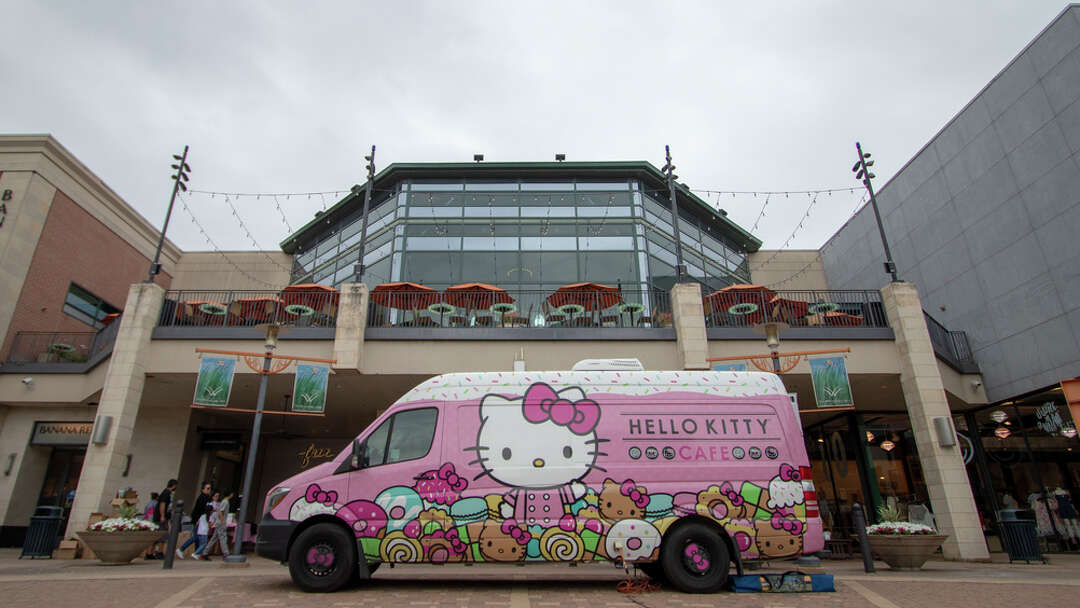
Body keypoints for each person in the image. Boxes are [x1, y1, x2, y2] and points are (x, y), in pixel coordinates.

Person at [176, 482, 212, 559]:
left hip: (199, 519)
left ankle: (195, 552)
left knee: (197, 537)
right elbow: (200, 510)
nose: (209, 490)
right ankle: (183, 549)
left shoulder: (205, 497)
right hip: (198, 520)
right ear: (203, 489)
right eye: (207, 488)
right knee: (196, 537)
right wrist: (198, 519)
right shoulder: (202, 498)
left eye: (210, 488)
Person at [199, 490, 232, 559]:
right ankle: (226, 554)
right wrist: (223, 521)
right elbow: (220, 512)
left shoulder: (224, 501)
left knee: (214, 538)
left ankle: (205, 552)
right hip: (220, 523)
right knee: (223, 538)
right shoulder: (225, 502)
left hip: (218, 522)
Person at [150, 479, 178, 560]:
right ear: (173, 485)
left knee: (157, 535)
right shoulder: (166, 493)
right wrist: (162, 515)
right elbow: (162, 504)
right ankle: (159, 552)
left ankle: (150, 553)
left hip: (160, 516)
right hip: (161, 517)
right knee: (163, 535)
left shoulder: (165, 493)